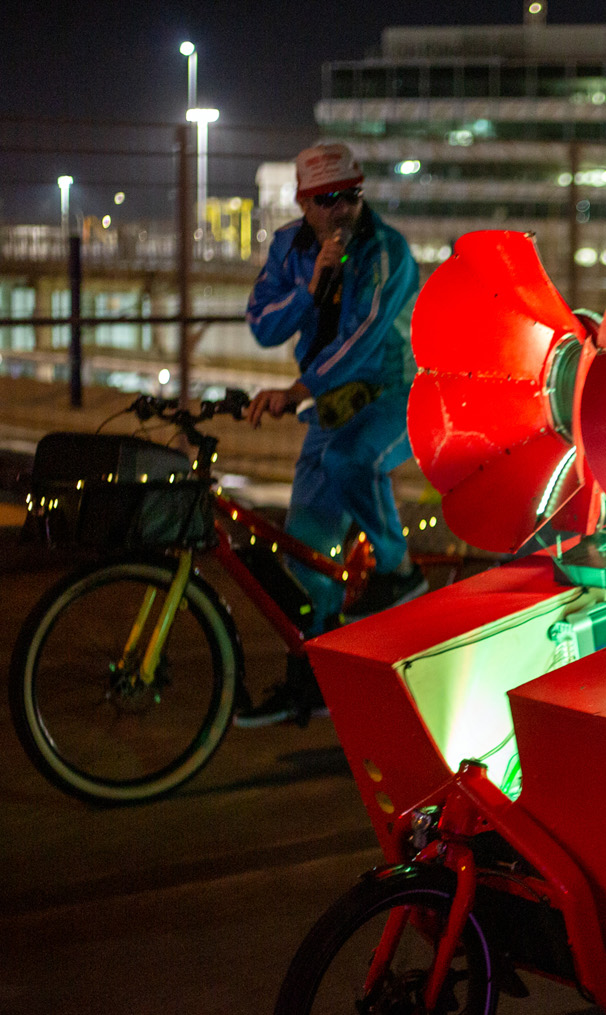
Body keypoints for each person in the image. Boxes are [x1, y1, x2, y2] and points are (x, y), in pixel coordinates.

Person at [238, 143, 425, 726]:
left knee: (351, 459)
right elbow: (264, 324)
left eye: (351, 195)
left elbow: (364, 340)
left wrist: (296, 393)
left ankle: (400, 573)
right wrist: (311, 283)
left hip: (393, 397)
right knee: (307, 554)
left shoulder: (385, 251)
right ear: (303, 203)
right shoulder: (291, 247)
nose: (342, 210)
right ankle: (309, 684)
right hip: (329, 404)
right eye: (327, 200)